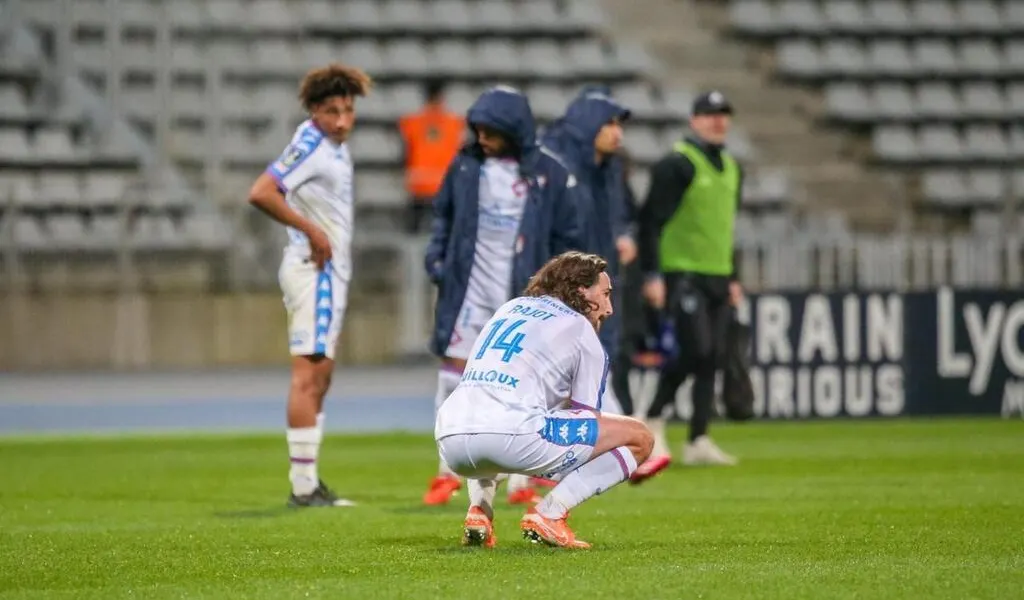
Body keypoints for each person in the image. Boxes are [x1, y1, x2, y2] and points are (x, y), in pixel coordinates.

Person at [422, 85, 584, 507]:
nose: (481, 137)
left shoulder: (547, 172)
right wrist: (436, 261)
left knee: (525, 381)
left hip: (520, 294)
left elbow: (567, 232)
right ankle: (445, 472)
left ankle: (519, 477)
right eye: (477, 128)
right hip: (469, 289)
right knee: (453, 372)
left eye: (489, 129)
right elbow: (443, 217)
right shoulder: (464, 166)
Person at [434, 251, 654, 549]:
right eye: (605, 294)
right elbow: (587, 417)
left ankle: (479, 512)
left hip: (450, 439)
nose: (609, 308)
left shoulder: (510, 308)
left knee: (503, 417)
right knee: (639, 438)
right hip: (509, 436)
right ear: (581, 290)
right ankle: (551, 513)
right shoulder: (580, 329)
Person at [246, 63, 372, 507]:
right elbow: (261, 191)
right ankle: (302, 489)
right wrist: (312, 232)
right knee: (307, 375)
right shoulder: (310, 143)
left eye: (348, 110)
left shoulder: (334, 145)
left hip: (330, 274)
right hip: (311, 270)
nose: (342, 120)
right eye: (332, 111)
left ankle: (309, 483)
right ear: (315, 111)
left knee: (322, 376)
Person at [631, 90, 744, 482]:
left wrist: (733, 277)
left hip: (716, 273)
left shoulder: (731, 166)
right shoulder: (677, 165)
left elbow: (725, 228)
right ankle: (654, 419)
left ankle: (698, 438)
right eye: (710, 114)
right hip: (683, 273)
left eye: (723, 114)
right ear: (694, 119)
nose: (718, 121)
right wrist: (652, 275)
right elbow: (650, 222)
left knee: (710, 358)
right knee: (696, 350)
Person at [540, 89, 637, 417]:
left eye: (618, 124)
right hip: (566, 287)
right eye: (608, 123)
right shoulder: (555, 167)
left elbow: (623, 214)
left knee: (599, 359)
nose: (616, 132)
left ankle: (608, 445)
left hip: (601, 282)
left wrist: (624, 235)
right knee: (571, 366)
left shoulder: (611, 170)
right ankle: (621, 444)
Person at [398, 78, 464, 234]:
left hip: (419, 184)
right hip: (444, 185)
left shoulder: (411, 122)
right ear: (442, 97)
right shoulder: (455, 123)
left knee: (412, 232)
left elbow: (404, 154)